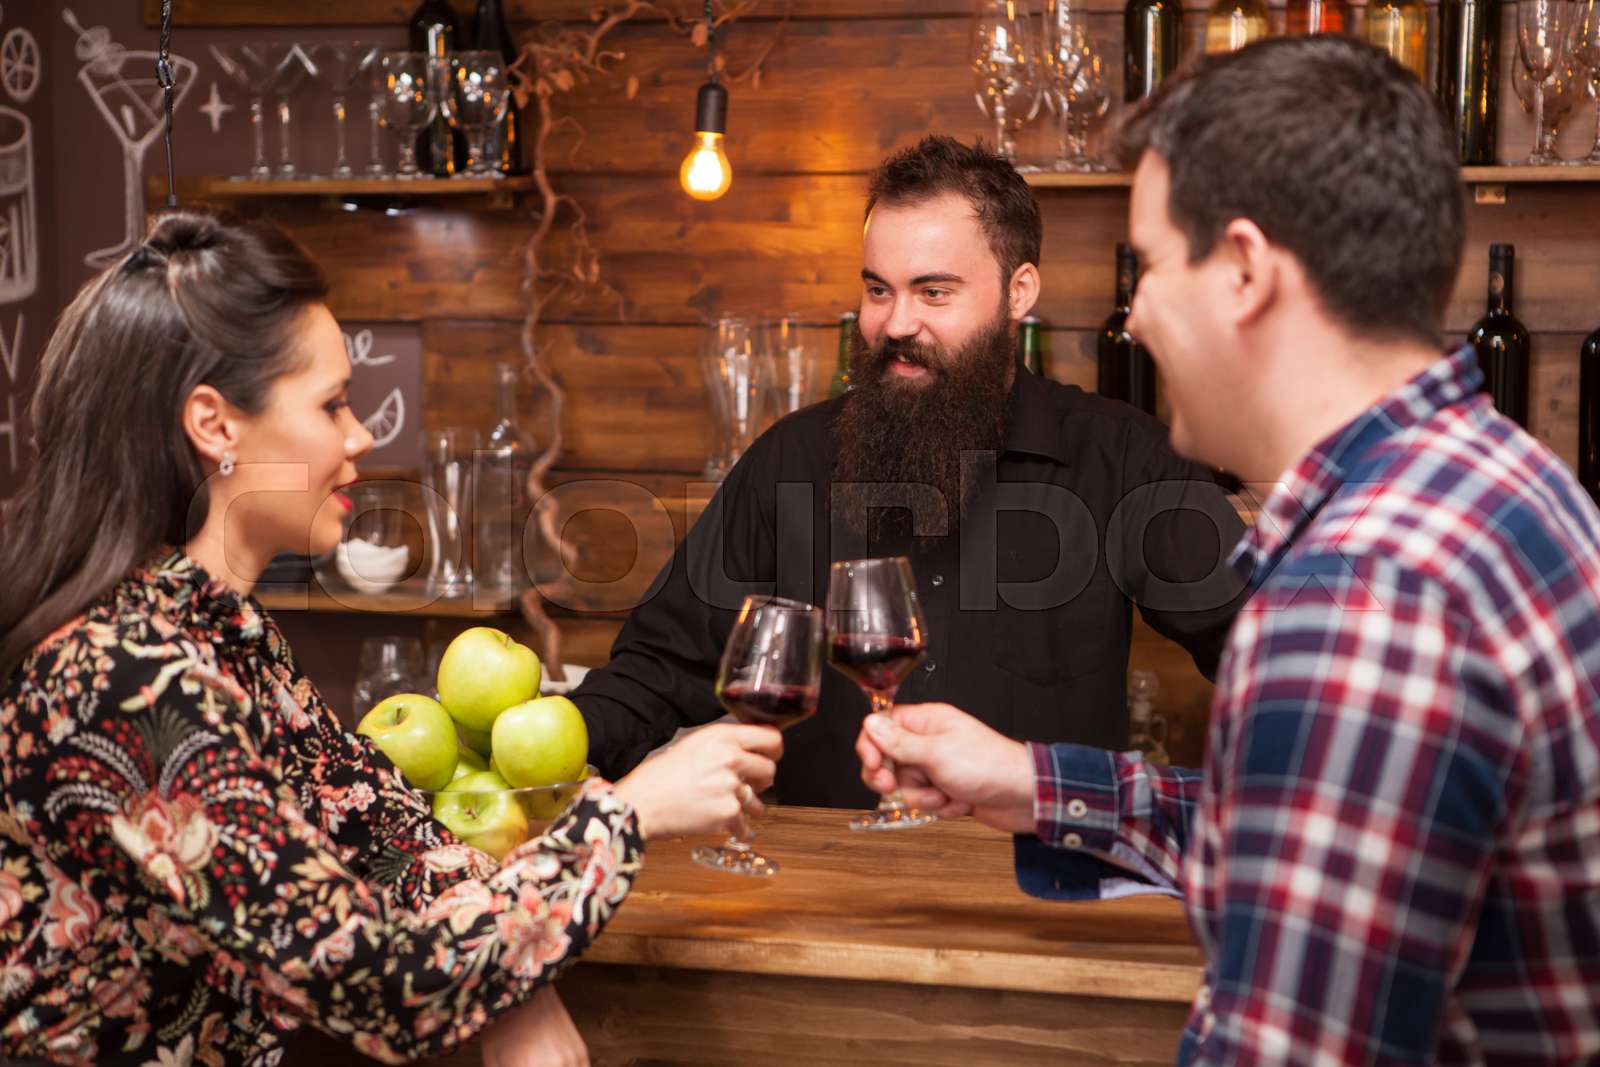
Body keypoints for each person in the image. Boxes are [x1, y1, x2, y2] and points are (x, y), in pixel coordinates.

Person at [855, 35, 1600, 1067]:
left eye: (1153, 268)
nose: (1138, 315)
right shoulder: (1500, 484)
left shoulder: (1358, 600)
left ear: (1245, 270)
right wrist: (1033, 779)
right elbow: (1325, 829)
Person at [0, 211, 782, 1067]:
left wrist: (518, 988)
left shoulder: (220, 631)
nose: (361, 435)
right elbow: (366, 975)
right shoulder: (123, 676)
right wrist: (632, 810)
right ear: (214, 424)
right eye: (331, 403)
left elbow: (388, 839)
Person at [571, 135, 1245, 808]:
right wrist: (538, 748)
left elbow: (1260, 651)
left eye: (934, 292)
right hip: (818, 894)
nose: (896, 322)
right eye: (877, 289)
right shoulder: (792, 460)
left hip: (1038, 887)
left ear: (1019, 292)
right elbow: (658, 668)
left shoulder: (1121, 458)